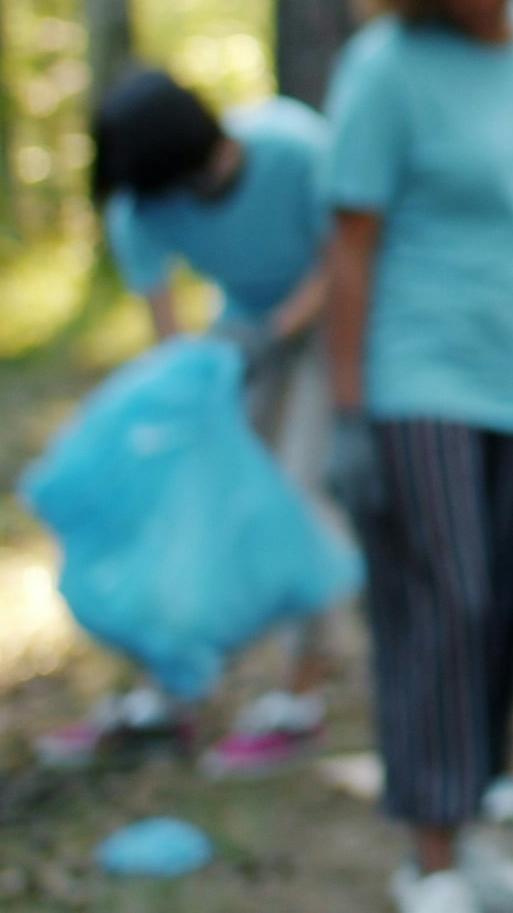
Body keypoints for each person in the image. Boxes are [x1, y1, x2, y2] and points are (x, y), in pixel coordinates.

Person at [316, 0, 513, 913]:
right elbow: (352, 245)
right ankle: (425, 855)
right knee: (444, 601)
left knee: (507, 603)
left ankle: (475, 830)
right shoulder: (386, 67)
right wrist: (347, 413)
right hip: (419, 374)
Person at [38, 69, 345, 777]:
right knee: (197, 500)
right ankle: (167, 692)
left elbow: (345, 252)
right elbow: (167, 329)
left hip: (331, 325)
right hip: (233, 344)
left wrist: (278, 329)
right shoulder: (140, 203)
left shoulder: (294, 148)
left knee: (302, 492)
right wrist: (193, 400)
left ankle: (300, 699)